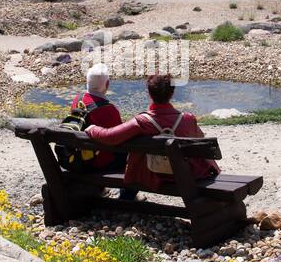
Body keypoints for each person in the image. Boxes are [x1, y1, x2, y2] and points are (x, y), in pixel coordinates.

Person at [85, 73, 219, 193]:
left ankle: (127, 198)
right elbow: (201, 142)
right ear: (172, 94)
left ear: (149, 94)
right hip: (186, 174)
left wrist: (92, 129)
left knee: (135, 161)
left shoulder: (142, 121)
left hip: (153, 174)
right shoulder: (188, 119)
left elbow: (111, 137)